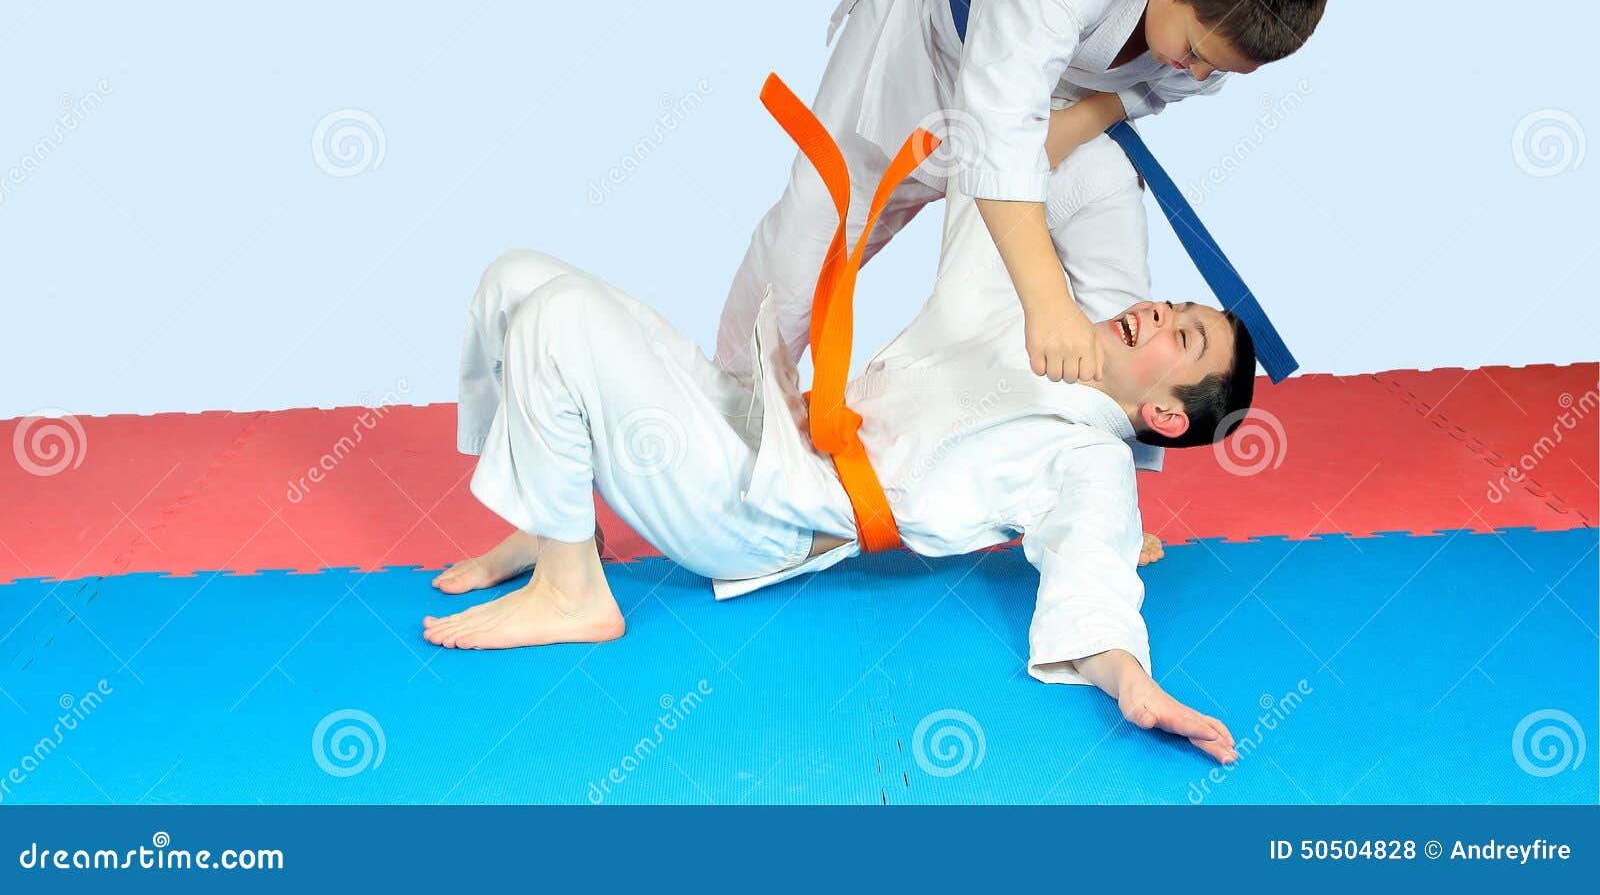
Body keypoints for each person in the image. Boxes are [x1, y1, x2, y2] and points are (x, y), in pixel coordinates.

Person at [423, 247, 1255, 764]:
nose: (1160, 312)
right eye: (1176, 306)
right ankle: (554, 517)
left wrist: (1131, 680)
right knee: (514, 279)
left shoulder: (1091, 459)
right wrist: (1091, 106)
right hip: (760, 418)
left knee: (561, 316)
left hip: (763, 508)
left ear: (1164, 414)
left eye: (1182, 337)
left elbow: (1091, 567)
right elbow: (1004, 186)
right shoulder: (1036, 324)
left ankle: (574, 590)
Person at [715, 0, 1330, 390]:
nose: (1197, 74)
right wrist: (1050, 306)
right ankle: (733, 406)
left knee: (1107, 200)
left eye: (1216, 69)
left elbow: (1144, 91)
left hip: (1057, 82)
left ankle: (1108, 433)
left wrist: (1071, 128)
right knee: (820, 222)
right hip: (930, 20)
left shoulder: (1227, 13)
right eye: (1194, 53)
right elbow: (997, 125)